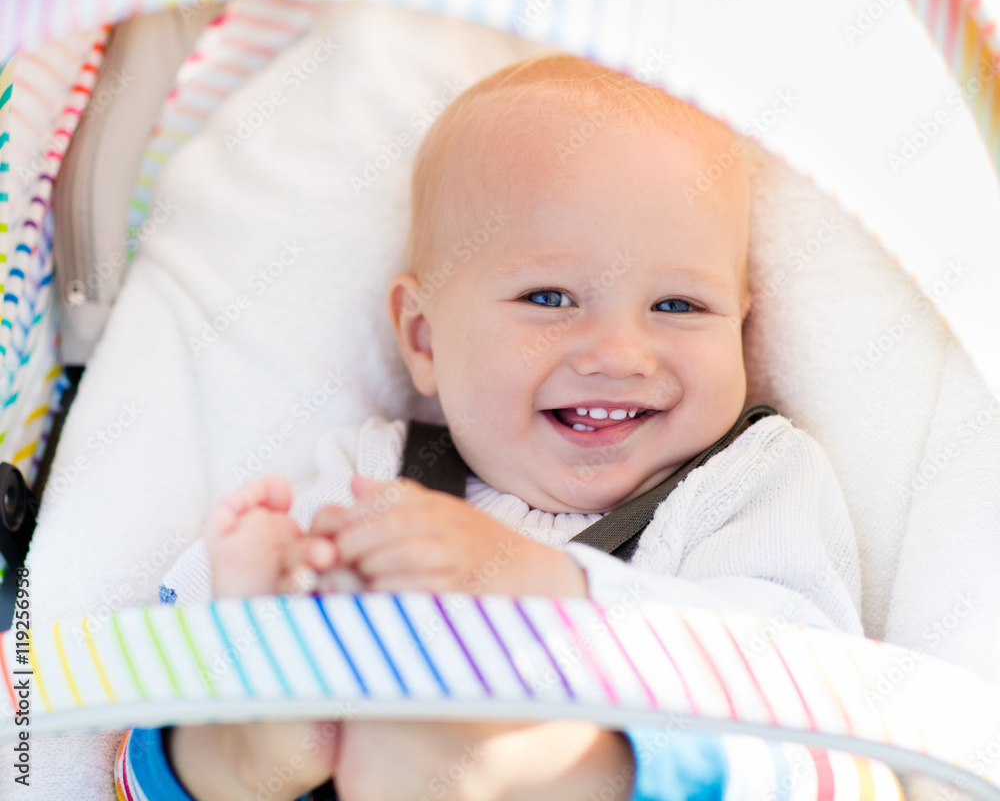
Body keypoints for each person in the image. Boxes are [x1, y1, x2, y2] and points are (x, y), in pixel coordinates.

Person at [114, 54, 862, 801]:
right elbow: (130, 690)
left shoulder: (749, 481)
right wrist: (271, 597)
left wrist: (551, 586)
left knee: (763, 752)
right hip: (343, 753)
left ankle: (504, 767)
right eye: (549, 297)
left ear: (742, 326)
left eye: (679, 307)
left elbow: (804, 685)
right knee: (181, 711)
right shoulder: (373, 480)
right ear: (425, 339)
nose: (619, 354)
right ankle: (264, 740)